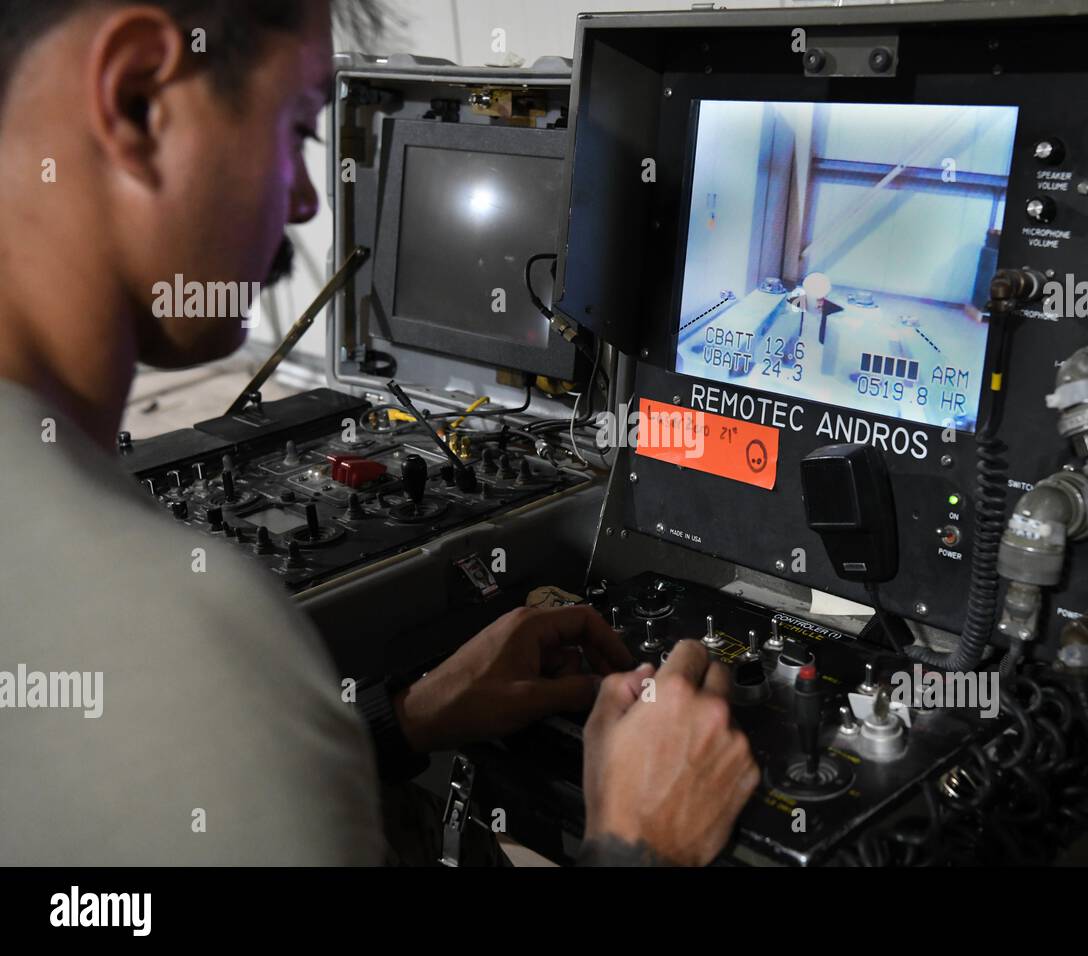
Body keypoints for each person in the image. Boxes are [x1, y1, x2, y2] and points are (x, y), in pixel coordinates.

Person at [0, 0, 758, 866]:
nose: (307, 196)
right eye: (299, 130)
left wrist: (400, 723)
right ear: (137, 97)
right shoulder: (179, 645)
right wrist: (641, 843)